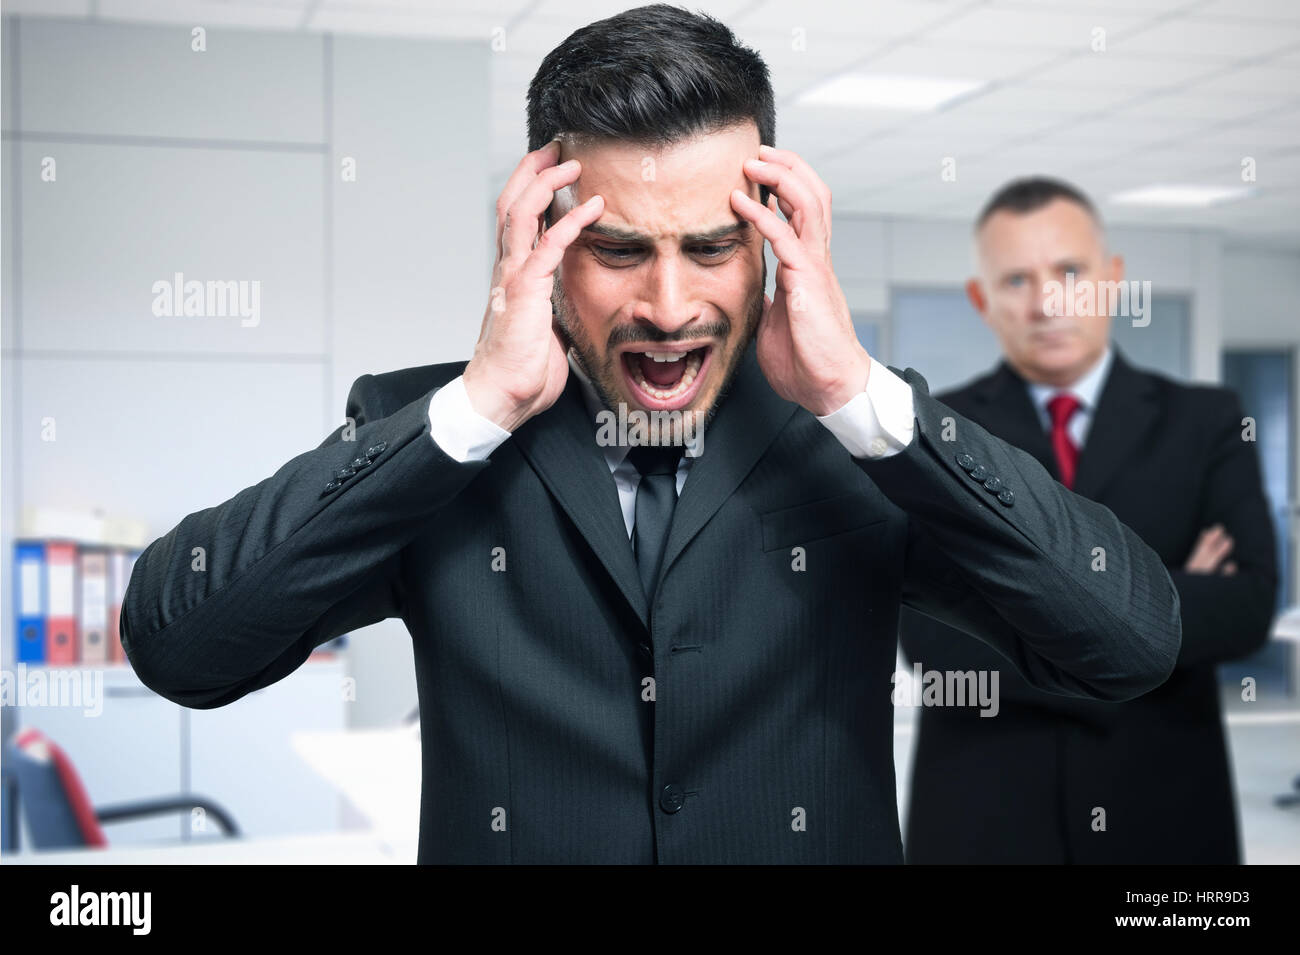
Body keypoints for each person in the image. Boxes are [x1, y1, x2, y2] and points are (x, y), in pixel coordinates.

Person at [121, 6, 1181, 864]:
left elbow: (1128, 644)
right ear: (543, 238)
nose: (670, 305)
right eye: (620, 250)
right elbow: (181, 643)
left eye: (713, 247)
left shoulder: (855, 438)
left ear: (771, 244)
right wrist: (476, 407)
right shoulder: (429, 432)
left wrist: (860, 394)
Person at [899, 176, 1278, 864]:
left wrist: (1010, 610)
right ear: (983, 300)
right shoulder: (934, 431)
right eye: (1017, 279)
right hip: (984, 816)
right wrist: (1150, 608)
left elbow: (1248, 604)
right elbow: (932, 643)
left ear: (1113, 279)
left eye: (1069, 272)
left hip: (1161, 814)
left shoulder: (1208, 422)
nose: (1046, 302)